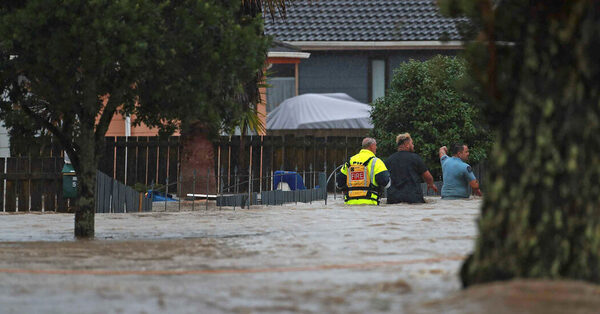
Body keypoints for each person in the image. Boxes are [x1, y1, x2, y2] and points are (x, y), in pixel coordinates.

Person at [385, 133, 438, 204]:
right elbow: (428, 177)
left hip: (393, 199)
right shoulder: (415, 158)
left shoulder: (388, 160)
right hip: (413, 198)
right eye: (412, 143)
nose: (413, 146)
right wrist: (430, 184)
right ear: (407, 145)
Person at [336, 137, 390, 205]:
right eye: (376, 145)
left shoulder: (350, 161)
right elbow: (386, 183)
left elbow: (339, 183)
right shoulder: (376, 162)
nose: (376, 148)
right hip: (371, 203)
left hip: (349, 204)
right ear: (372, 146)